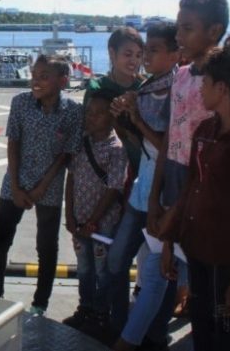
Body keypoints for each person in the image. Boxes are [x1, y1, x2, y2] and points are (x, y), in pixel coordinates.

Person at [127, 0, 229, 350]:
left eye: (187, 28)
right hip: (171, 187)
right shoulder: (181, 76)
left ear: (214, 31)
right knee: (164, 270)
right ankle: (141, 337)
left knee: (209, 295)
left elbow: (212, 159)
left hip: (202, 200)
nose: (179, 35)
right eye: (179, 27)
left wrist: (175, 208)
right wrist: (155, 198)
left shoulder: (222, 84)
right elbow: (170, 140)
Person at [160, 37, 230, 351]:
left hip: (226, 262)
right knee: (203, 329)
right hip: (197, 251)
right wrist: (169, 240)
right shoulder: (204, 131)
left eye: (205, 83)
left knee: (228, 335)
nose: (200, 89)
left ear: (221, 89)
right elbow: (190, 189)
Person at [0, 54, 83, 316]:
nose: (36, 82)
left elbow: (66, 153)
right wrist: (15, 186)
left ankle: (40, 303)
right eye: (34, 76)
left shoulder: (73, 111)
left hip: (49, 185)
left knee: (47, 245)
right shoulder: (20, 103)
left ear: (62, 81)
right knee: (0, 238)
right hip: (16, 180)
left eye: (44, 77)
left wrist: (42, 187)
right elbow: (13, 143)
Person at [105, 21, 180, 346]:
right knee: (117, 262)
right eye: (144, 50)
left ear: (175, 54)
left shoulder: (178, 91)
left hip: (163, 198)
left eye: (153, 50)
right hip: (141, 191)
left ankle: (150, 334)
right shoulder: (149, 87)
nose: (145, 56)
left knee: (161, 273)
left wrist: (135, 118)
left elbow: (170, 148)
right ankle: (122, 327)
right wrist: (123, 118)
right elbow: (144, 144)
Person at [62, 92, 128, 338]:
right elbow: (71, 177)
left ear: (111, 117)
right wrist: (69, 214)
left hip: (103, 225)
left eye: (98, 113)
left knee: (103, 270)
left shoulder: (116, 149)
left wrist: (94, 221)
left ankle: (101, 313)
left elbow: (113, 189)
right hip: (79, 221)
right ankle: (85, 308)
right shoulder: (82, 142)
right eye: (88, 112)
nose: (91, 117)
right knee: (84, 268)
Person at [85, 27, 144, 175]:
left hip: (139, 167)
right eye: (128, 54)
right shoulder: (96, 88)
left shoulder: (145, 88)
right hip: (104, 169)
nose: (134, 60)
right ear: (112, 53)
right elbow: (86, 129)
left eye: (138, 55)